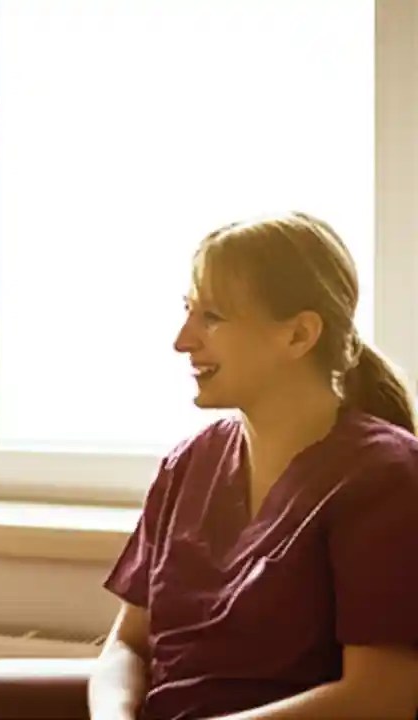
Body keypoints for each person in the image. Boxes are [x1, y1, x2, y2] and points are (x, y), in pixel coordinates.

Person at [89, 211, 418, 720]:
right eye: (187, 311)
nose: (183, 340)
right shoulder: (187, 465)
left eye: (212, 318)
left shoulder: (384, 477)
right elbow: (128, 645)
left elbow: (384, 693)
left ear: (299, 335)